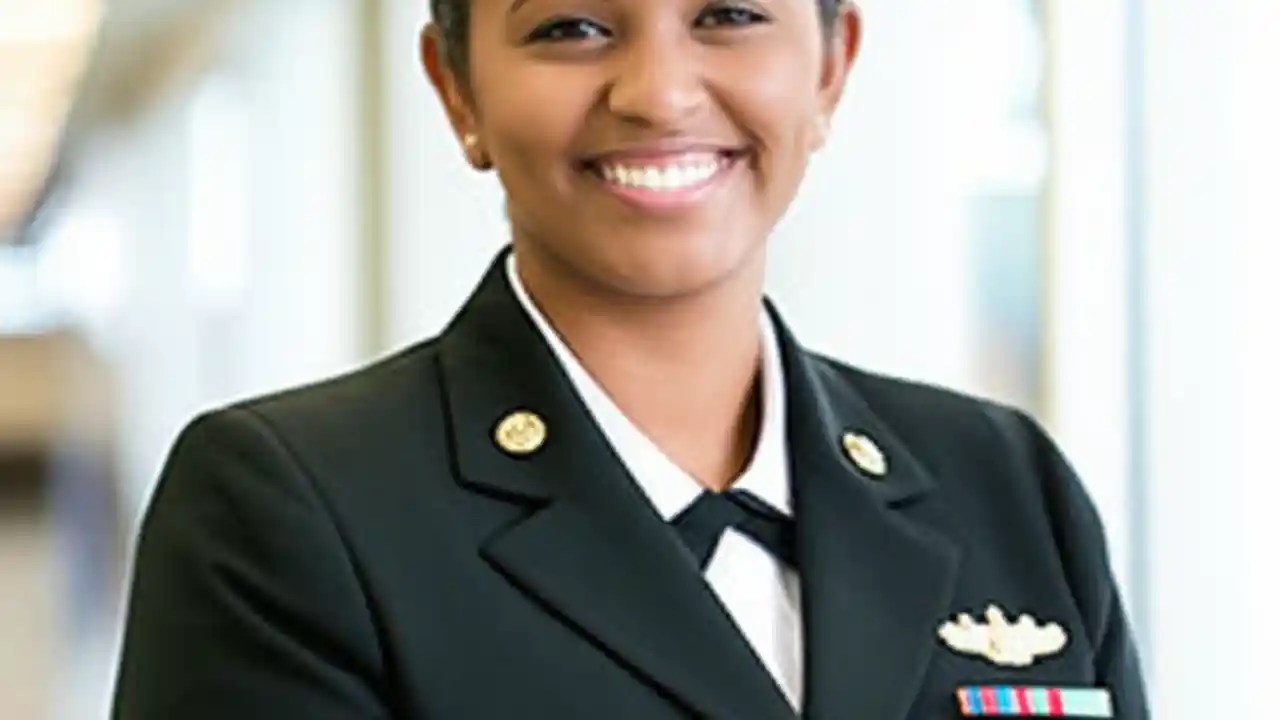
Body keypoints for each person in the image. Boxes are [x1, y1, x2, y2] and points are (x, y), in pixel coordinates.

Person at [112, 0, 1149, 717]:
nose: (657, 94)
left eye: (728, 15)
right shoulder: (293, 509)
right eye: (572, 28)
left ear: (831, 67)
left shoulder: (1001, 484)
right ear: (457, 90)